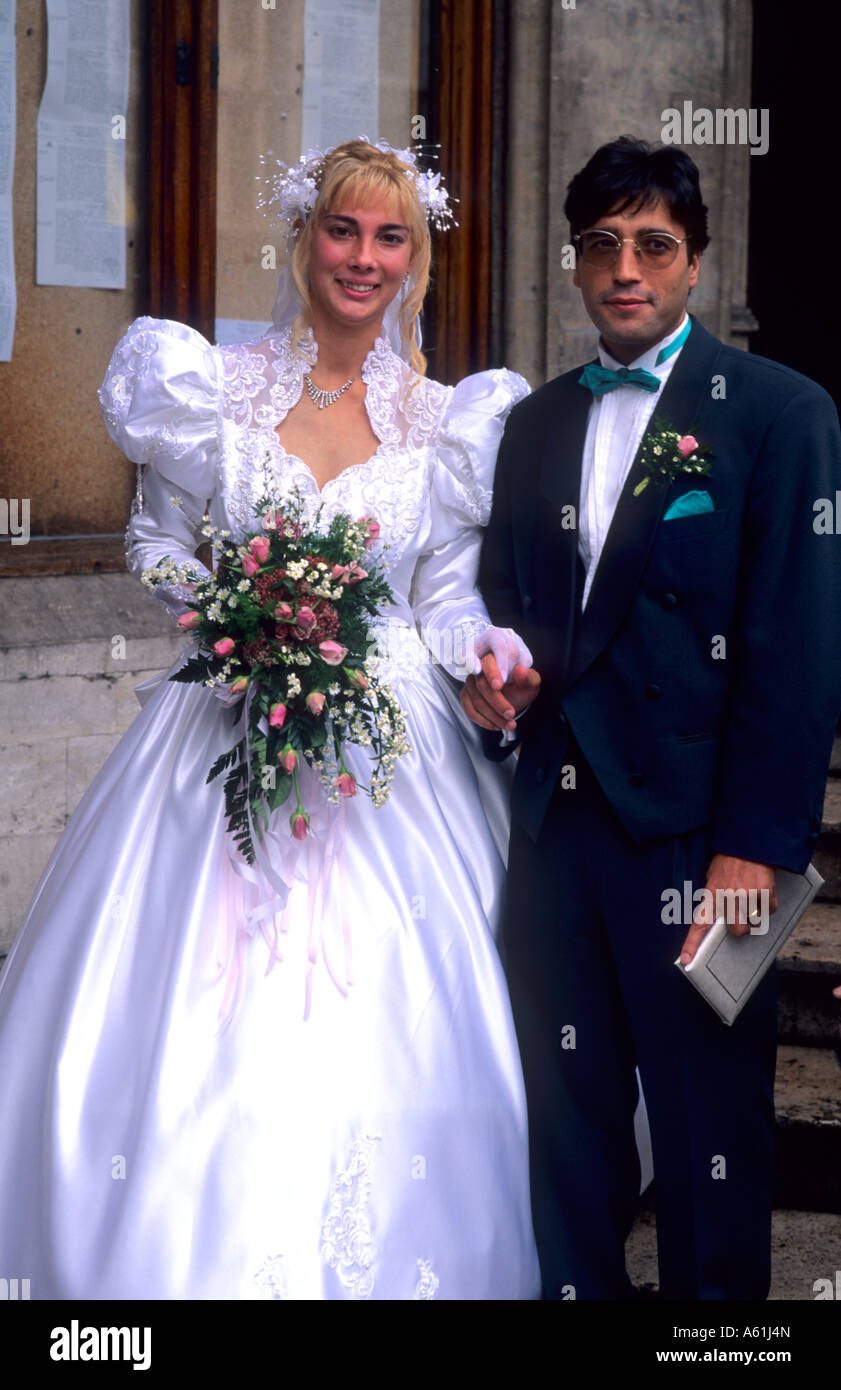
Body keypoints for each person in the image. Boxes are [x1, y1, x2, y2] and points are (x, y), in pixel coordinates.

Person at [0, 139, 541, 1300]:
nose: (362, 257)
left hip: (392, 752)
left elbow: (443, 598)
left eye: (388, 236)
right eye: (342, 230)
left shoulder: (450, 421)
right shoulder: (208, 387)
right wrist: (235, 610)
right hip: (225, 722)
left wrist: (485, 648)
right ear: (302, 239)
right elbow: (151, 543)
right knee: (194, 1018)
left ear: (415, 257)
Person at [462, 135, 841, 1300]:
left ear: (693, 264)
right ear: (576, 264)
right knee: (565, 1127)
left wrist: (757, 851)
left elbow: (795, 650)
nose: (625, 268)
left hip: (705, 836)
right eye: (601, 245)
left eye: (652, 246)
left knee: (709, 1135)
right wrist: (495, 690)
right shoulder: (532, 427)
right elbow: (511, 616)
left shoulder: (780, 414)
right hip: (557, 829)